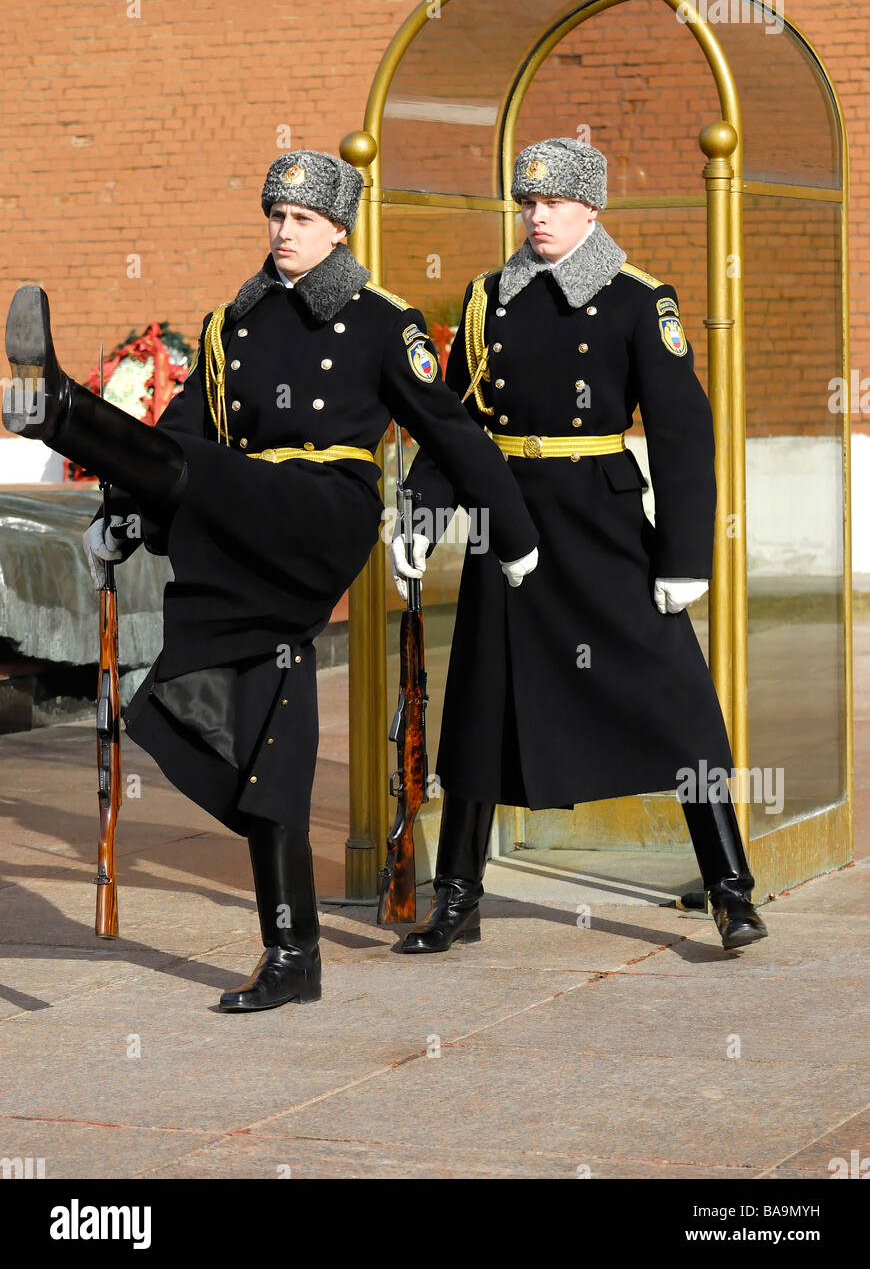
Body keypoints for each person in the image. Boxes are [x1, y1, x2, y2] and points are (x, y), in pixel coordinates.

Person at [3, 149, 539, 1011]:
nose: (282, 233)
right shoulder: (230, 326)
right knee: (260, 727)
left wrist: (508, 531)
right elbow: (182, 441)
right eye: (274, 217)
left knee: (218, 477)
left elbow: (451, 434)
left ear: (337, 229)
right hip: (244, 524)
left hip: (323, 514)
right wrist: (125, 518)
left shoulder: (380, 320)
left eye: (300, 220)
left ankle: (61, 408)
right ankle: (293, 954)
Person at [390, 137, 767, 955]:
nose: (537, 216)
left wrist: (684, 558)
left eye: (554, 203)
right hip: (508, 517)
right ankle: (456, 896)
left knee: (678, 705)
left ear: (592, 209)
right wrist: (422, 513)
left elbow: (680, 434)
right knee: (483, 705)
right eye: (527, 203)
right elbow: (457, 428)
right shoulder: (490, 298)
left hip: (602, 521)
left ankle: (730, 888)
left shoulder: (639, 300)